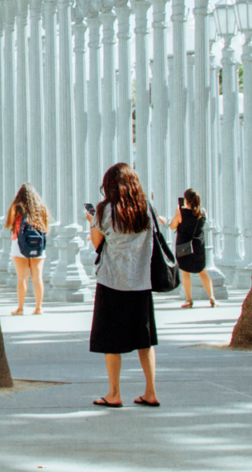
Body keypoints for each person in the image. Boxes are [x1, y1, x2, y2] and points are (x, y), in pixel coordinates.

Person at [86, 163, 159, 408]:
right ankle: (150, 392)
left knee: (111, 341)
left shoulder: (104, 209)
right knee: (144, 341)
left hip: (112, 281)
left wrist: (91, 221)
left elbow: (97, 243)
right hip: (141, 281)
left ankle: (114, 393)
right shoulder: (146, 207)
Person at [165, 188, 215, 308]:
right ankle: (212, 297)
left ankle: (189, 300)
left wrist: (178, 212)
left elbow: (172, 226)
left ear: (186, 200)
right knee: (203, 272)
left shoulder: (181, 213)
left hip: (184, 247)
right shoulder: (203, 212)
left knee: (186, 273)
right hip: (198, 246)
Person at [6, 184, 49, 315]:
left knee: (22, 278)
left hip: (19, 244)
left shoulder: (16, 207)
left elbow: (10, 223)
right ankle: (38, 308)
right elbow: (45, 226)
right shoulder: (40, 207)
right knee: (37, 277)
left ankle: (20, 309)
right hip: (37, 244)